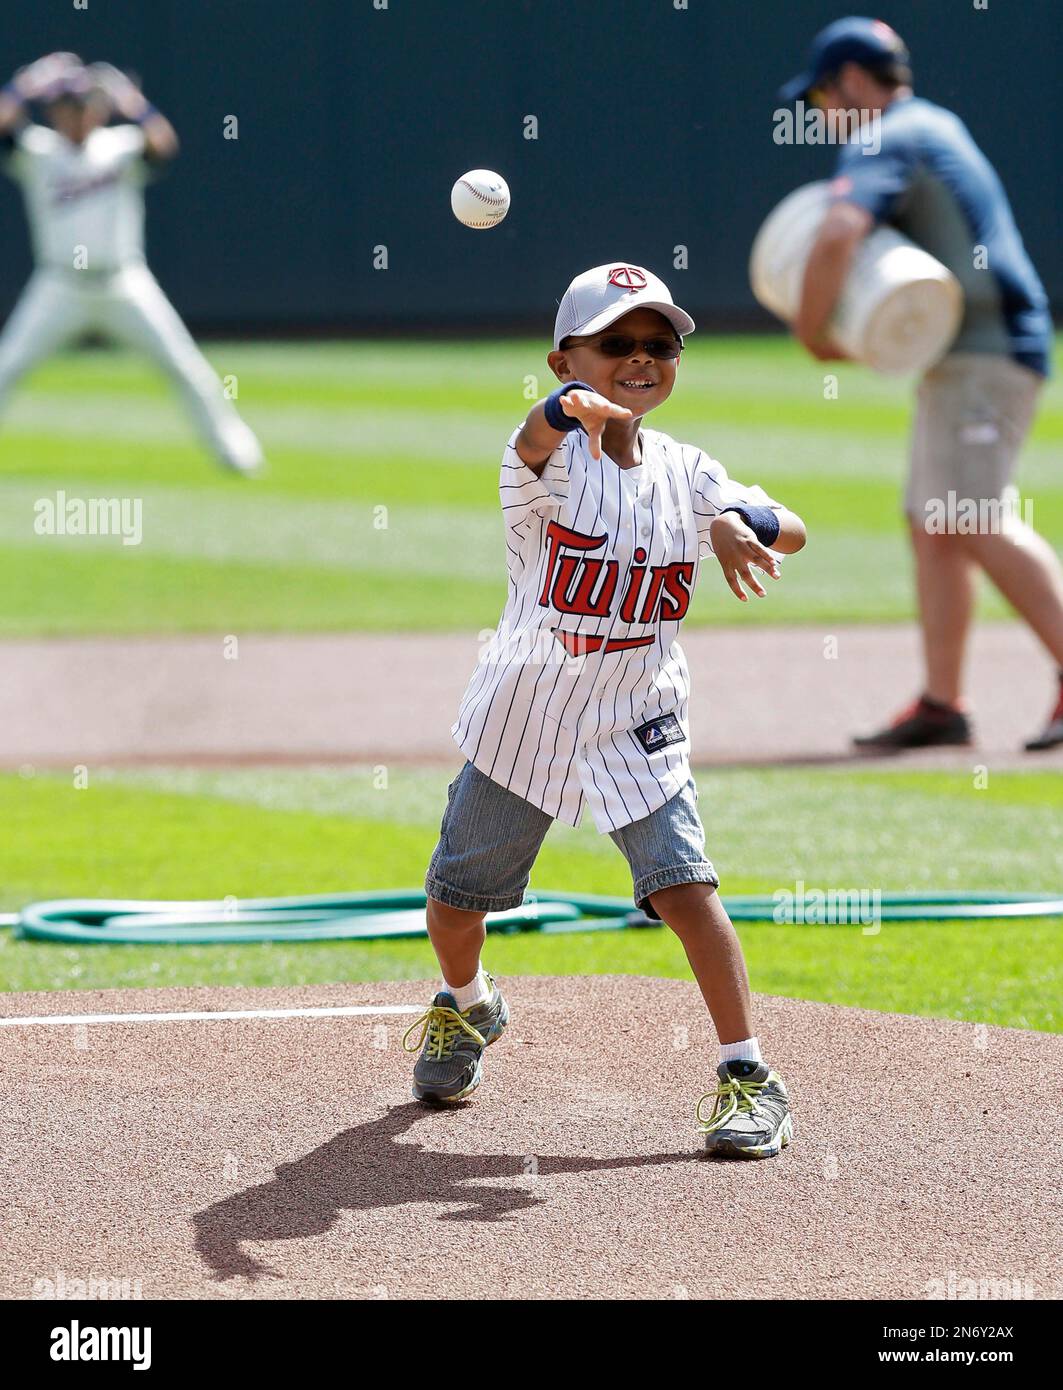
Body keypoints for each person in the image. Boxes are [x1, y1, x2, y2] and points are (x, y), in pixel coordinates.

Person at [402, 262, 807, 1159]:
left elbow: (791, 524)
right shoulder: (539, 469)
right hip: (525, 715)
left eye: (658, 345)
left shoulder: (687, 470)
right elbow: (534, 433)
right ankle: (467, 1008)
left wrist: (739, 520)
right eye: (615, 343)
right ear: (563, 359)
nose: (640, 358)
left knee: (685, 889)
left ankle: (747, 1074)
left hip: (637, 719)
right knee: (455, 900)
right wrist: (582, 412)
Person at [781, 16, 1063, 752]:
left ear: (847, 80)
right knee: (935, 522)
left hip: (985, 348)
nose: (819, 113)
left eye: (820, 95)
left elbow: (838, 233)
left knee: (968, 513)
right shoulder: (928, 123)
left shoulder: (887, 134)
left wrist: (813, 332)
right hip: (968, 350)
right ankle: (942, 706)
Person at [0, 52, 263, 475]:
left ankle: (237, 454)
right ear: (53, 111)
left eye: (83, 107)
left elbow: (164, 144)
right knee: (6, 367)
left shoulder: (119, 146)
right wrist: (24, 85)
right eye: (67, 108)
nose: (76, 117)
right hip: (59, 286)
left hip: (124, 283)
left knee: (186, 366)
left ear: (98, 110)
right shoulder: (39, 151)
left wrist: (133, 102)